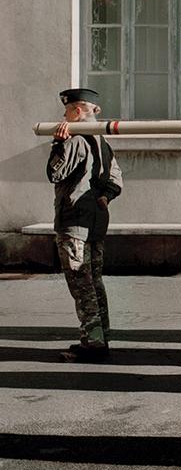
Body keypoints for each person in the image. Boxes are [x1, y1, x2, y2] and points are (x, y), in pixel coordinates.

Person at [46, 88, 122, 363]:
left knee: (81, 283)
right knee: (95, 282)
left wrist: (58, 144)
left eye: (67, 111)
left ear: (77, 111)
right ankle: (101, 335)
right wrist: (105, 196)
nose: (63, 116)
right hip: (95, 223)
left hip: (74, 221)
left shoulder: (75, 139)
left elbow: (56, 172)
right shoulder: (102, 141)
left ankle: (93, 342)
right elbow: (116, 181)